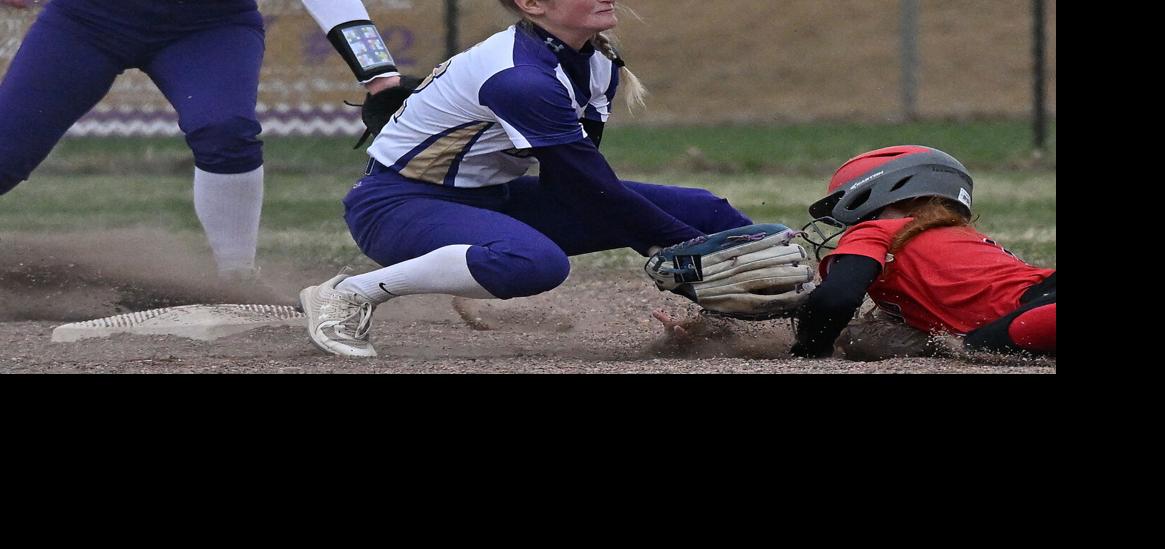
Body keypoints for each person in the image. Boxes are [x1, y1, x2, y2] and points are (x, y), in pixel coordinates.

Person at [298, 0, 751, 358]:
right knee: (534, 262)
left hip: (495, 196)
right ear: (532, 3)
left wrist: (675, 243)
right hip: (396, 206)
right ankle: (348, 295)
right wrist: (680, 246)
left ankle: (771, 310)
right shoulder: (519, 77)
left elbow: (577, 182)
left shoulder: (598, 62)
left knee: (706, 210)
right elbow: (587, 187)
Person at [0, 0, 402, 282]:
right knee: (6, 151)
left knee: (225, 129)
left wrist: (376, 69)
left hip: (210, 24)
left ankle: (236, 279)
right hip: (87, 19)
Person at [787, 145, 1056, 360]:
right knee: (983, 342)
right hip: (1041, 297)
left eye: (856, 219)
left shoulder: (879, 229)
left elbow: (837, 298)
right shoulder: (960, 239)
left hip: (1037, 307)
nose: (851, 229)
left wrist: (809, 349)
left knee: (980, 345)